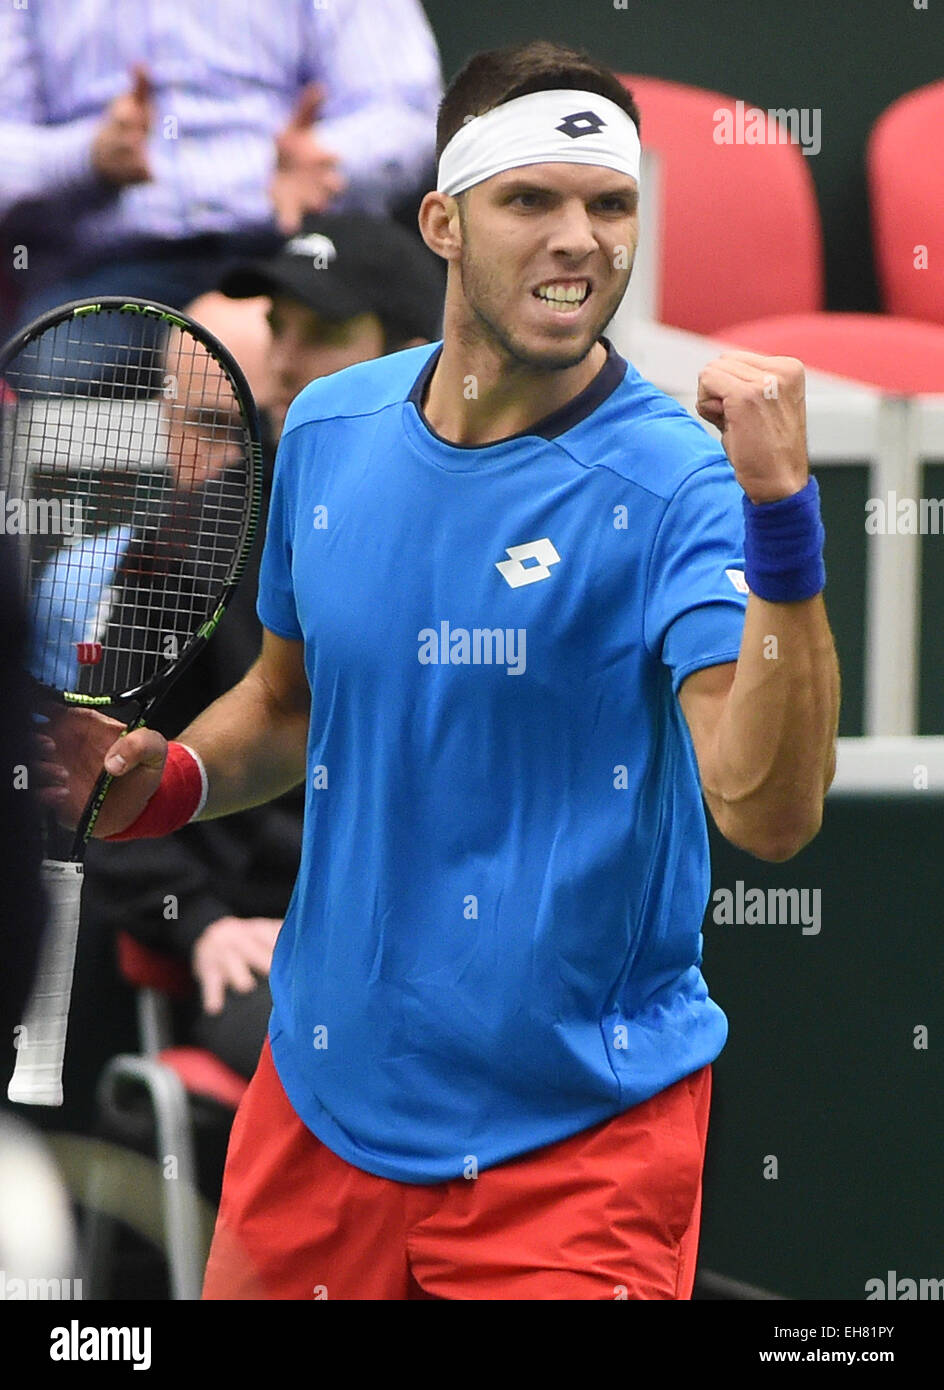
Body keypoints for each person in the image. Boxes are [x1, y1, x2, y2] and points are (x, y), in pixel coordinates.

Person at [38, 40, 841, 1301]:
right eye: (531, 199)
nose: (578, 238)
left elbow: (768, 809)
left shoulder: (684, 486)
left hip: (577, 1151)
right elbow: (292, 706)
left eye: (609, 203)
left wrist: (783, 526)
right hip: (314, 1113)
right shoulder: (324, 428)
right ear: (443, 222)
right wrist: (179, 779)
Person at [79, 216, 444, 1088]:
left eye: (317, 332)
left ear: (415, 351)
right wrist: (202, 921)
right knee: (369, 1061)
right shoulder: (191, 543)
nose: (279, 363)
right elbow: (110, 781)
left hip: (450, 936)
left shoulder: (498, 526)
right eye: (275, 328)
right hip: (268, 948)